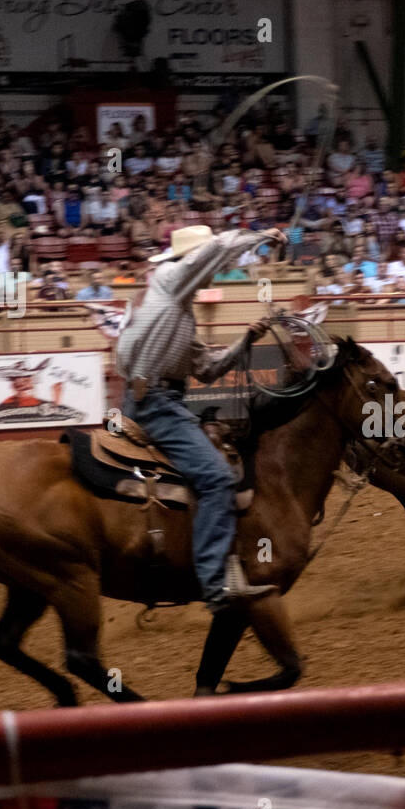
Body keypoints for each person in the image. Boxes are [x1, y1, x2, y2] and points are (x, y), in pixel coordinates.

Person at [115, 224, 287, 609]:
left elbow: (206, 368)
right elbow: (219, 249)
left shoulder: (173, 306)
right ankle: (214, 583)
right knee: (216, 478)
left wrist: (245, 340)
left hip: (152, 398)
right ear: (190, 258)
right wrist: (262, 235)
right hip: (158, 403)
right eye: (203, 260)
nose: (210, 271)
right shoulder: (171, 279)